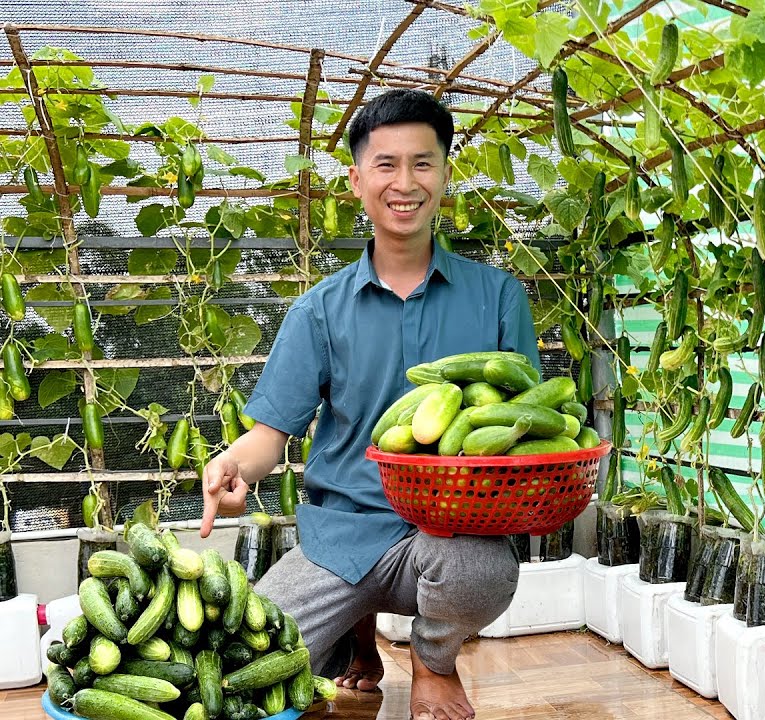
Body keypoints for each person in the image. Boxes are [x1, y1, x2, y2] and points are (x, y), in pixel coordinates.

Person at [198, 88, 540, 720]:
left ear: (444, 174)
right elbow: (271, 435)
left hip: (450, 533)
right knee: (247, 665)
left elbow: (528, 424)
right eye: (385, 165)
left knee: (481, 573)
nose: (404, 182)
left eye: (422, 163)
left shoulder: (498, 298)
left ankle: (433, 662)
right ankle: (354, 639)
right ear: (356, 181)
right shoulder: (319, 311)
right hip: (343, 536)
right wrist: (233, 466)